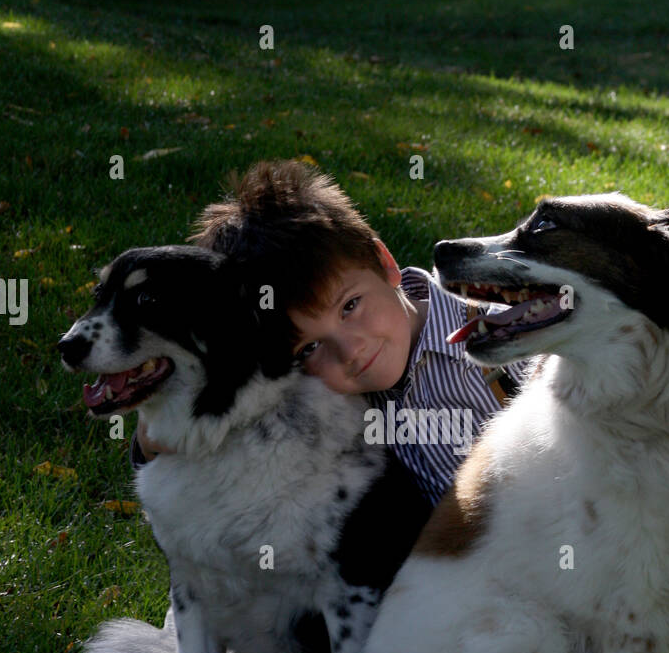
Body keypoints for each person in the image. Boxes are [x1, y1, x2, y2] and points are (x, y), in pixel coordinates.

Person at [130, 159, 534, 501]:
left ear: (384, 262)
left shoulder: (513, 340)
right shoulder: (318, 393)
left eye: (350, 306)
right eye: (309, 348)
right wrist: (153, 438)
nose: (350, 351)